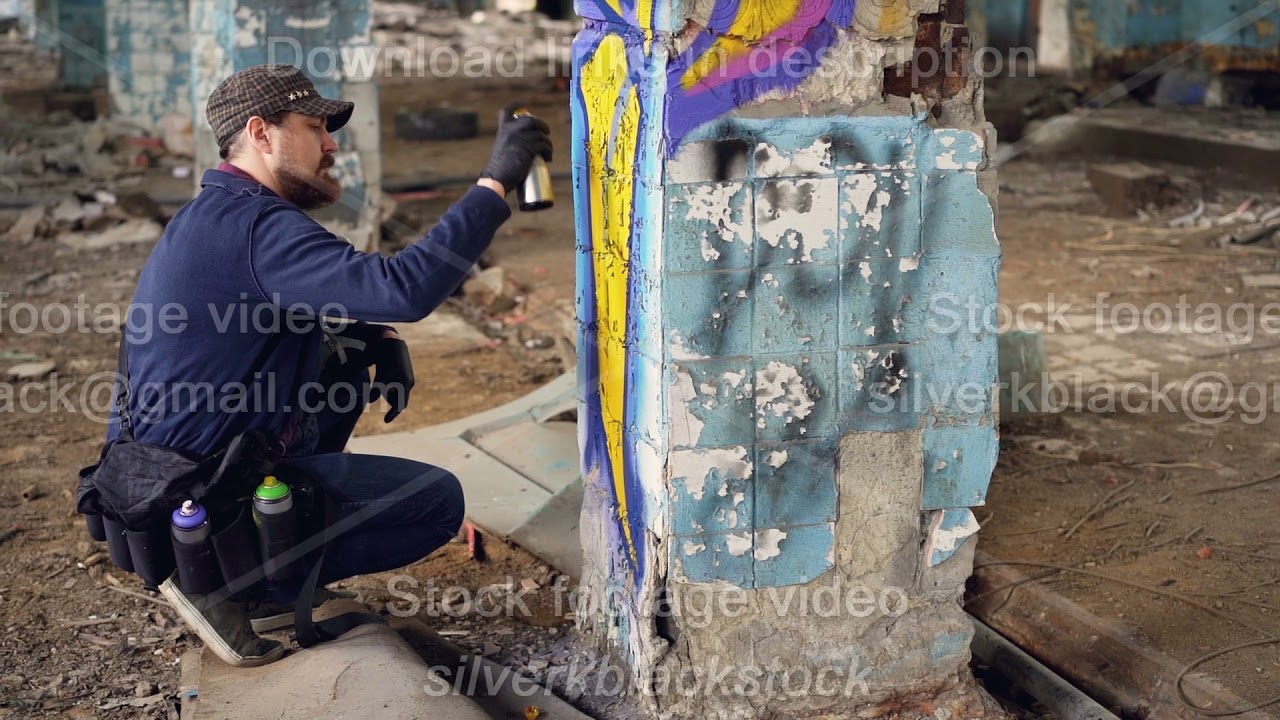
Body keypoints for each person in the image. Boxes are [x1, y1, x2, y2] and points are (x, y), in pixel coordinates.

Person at [104, 64, 552, 667]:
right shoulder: (261, 228)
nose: (331, 144)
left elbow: (319, 306)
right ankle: (234, 580)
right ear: (261, 134)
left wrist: (377, 337)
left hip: (159, 479)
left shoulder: (212, 216)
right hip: (197, 498)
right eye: (315, 127)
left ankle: (262, 572)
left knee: (342, 359)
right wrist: (494, 185)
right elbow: (406, 287)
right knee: (437, 502)